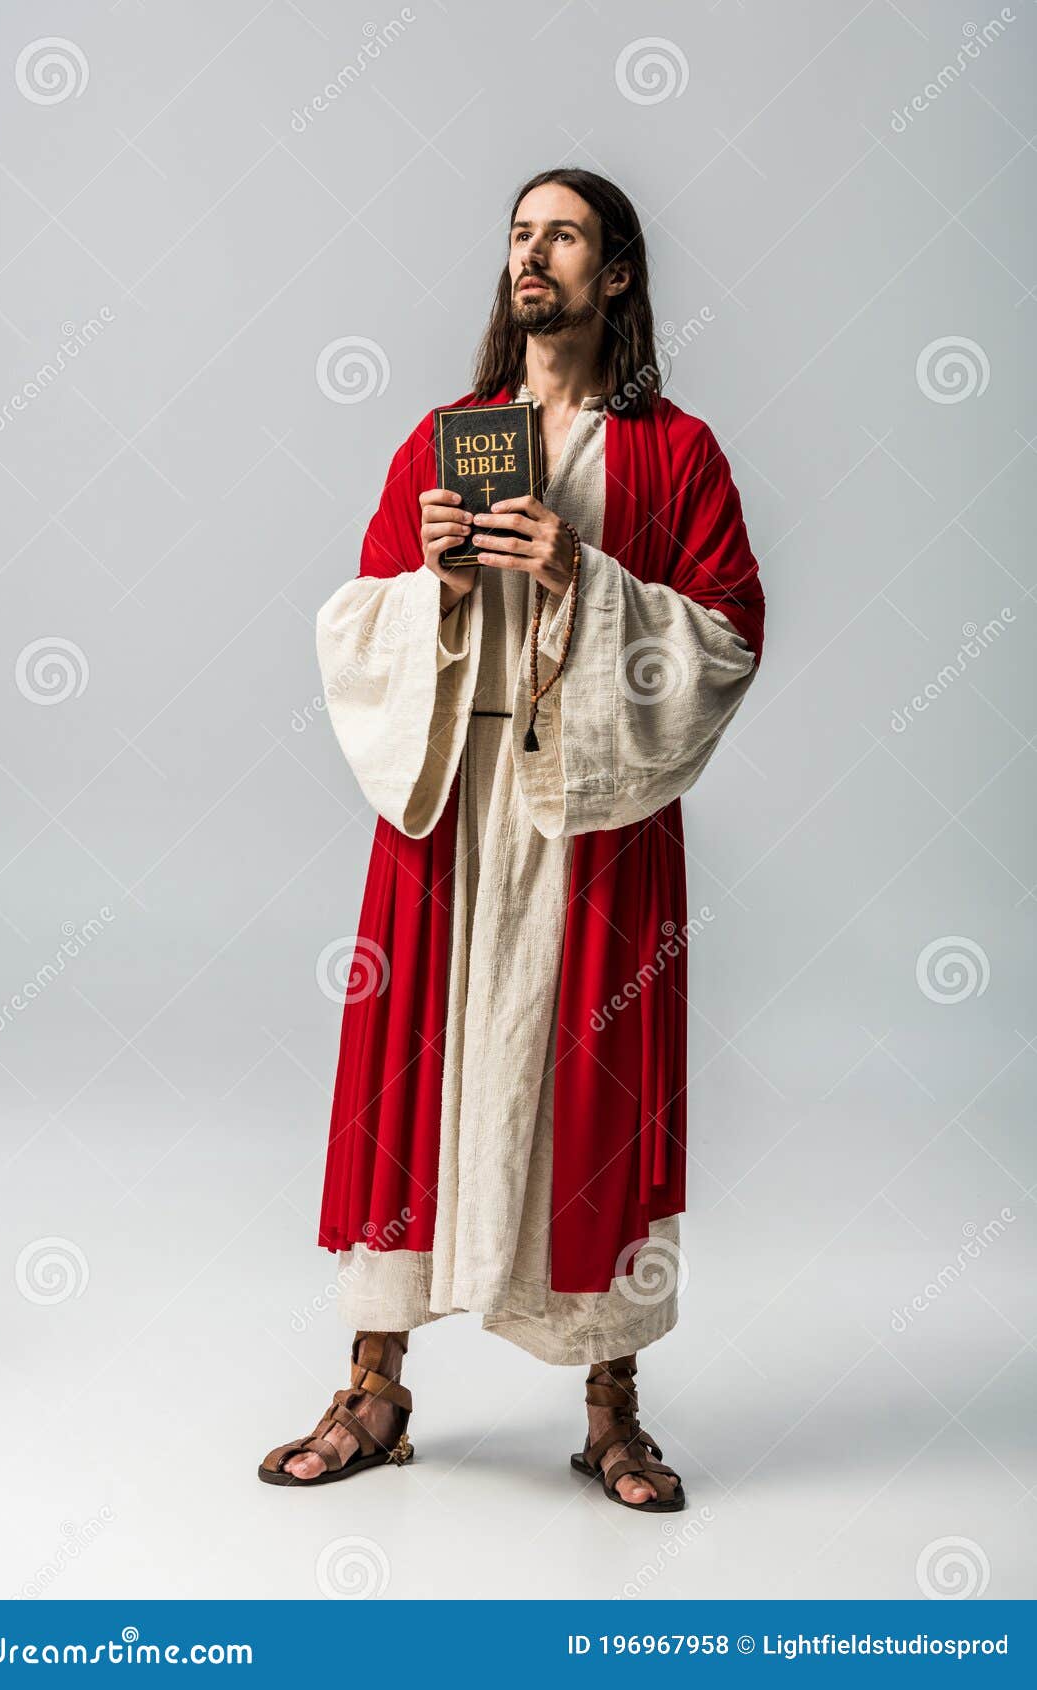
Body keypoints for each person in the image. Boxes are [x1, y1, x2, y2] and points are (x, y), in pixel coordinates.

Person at [259, 167, 765, 1511]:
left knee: (594, 1094)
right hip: (457, 799)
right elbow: (349, 624)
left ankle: (612, 1405)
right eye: (520, 234)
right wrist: (427, 579)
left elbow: (726, 635)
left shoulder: (678, 453)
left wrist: (581, 579)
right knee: (412, 1078)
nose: (533, 254)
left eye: (565, 235)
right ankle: (375, 1382)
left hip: (591, 809)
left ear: (616, 276)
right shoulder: (446, 440)